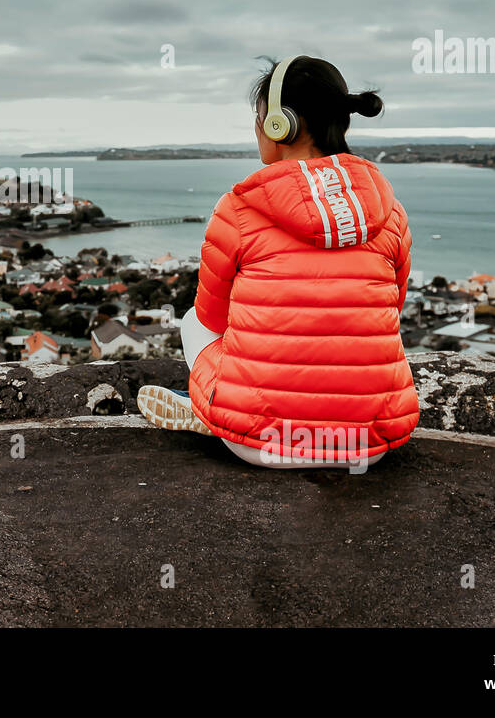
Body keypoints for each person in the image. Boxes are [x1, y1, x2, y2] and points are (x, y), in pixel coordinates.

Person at [137, 55, 418, 470]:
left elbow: (213, 319)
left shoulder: (238, 208)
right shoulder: (390, 211)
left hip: (259, 445)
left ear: (279, 124)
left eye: (259, 117)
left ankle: (212, 410)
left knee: (193, 322)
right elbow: (391, 309)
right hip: (369, 445)